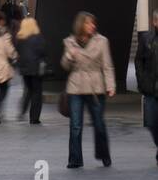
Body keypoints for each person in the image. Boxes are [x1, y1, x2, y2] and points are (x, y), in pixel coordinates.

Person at [61, 11, 115, 169]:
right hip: (75, 88)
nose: (92, 26)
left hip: (95, 87)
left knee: (99, 123)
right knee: (76, 125)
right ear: (80, 25)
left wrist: (110, 85)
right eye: (88, 23)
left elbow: (107, 65)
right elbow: (64, 66)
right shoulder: (70, 42)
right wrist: (70, 56)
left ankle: (104, 154)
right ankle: (75, 159)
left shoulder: (102, 41)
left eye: (93, 23)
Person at [134, 10, 158, 164]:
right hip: (151, 88)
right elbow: (138, 61)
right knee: (151, 122)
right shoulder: (146, 38)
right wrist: (142, 81)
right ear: (155, 22)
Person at [15, 16, 48, 124]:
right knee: (37, 93)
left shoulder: (20, 38)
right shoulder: (38, 37)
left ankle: (22, 110)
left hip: (24, 69)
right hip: (36, 68)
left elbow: (18, 52)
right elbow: (43, 51)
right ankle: (34, 118)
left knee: (28, 90)